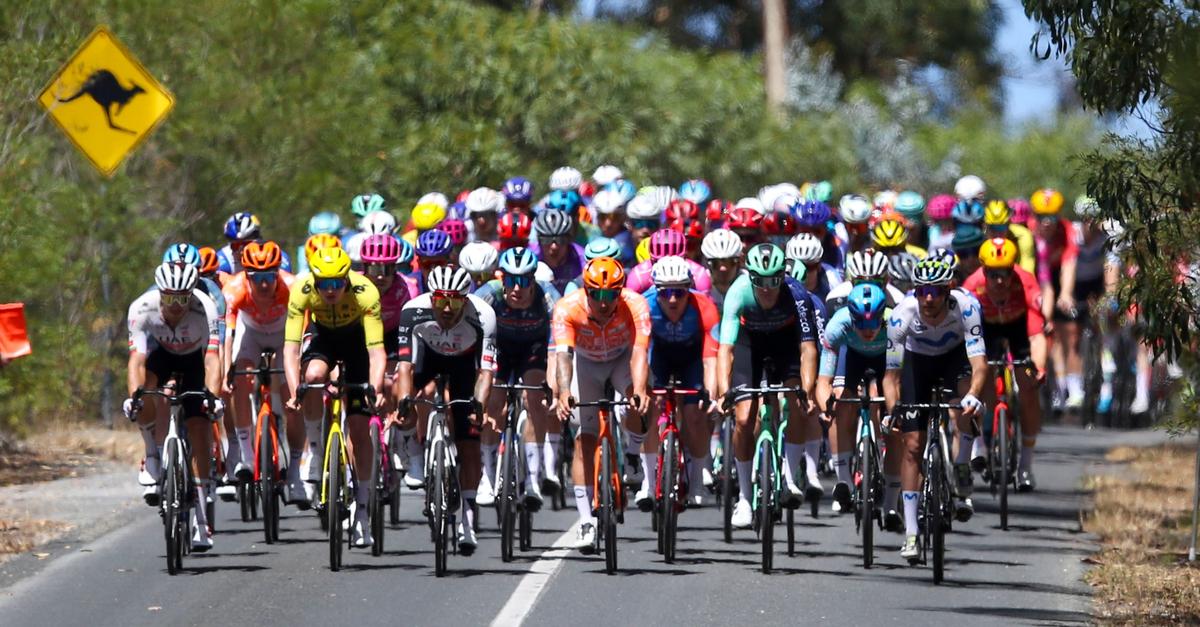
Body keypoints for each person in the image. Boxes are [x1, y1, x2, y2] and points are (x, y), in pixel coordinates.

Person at [882, 258, 988, 563]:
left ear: (949, 290)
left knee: (965, 405)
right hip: (918, 364)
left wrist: (973, 395)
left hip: (955, 358)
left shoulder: (967, 307)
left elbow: (980, 365)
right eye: (922, 291)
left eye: (936, 291)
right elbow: (891, 377)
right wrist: (892, 410)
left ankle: (962, 462)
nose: (929, 298)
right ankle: (911, 532)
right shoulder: (901, 315)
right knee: (913, 445)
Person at [283, 247, 386, 548]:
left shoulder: (365, 291)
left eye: (336, 283)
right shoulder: (301, 290)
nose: (330, 290)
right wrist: (295, 391)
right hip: (323, 337)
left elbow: (376, 352)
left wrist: (375, 389)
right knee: (313, 377)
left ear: (347, 279)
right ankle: (316, 452)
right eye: (323, 284)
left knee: (359, 430)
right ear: (314, 280)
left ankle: (363, 511)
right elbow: (290, 348)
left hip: (357, 343)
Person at [717, 244, 822, 529]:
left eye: (773, 280)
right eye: (759, 280)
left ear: (783, 277)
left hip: (785, 345)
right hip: (749, 345)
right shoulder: (738, 292)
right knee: (743, 419)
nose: (766, 288)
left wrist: (807, 391)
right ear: (749, 276)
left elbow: (808, 349)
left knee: (797, 405)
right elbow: (726, 349)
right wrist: (724, 392)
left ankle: (789, 478)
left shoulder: (797, 294)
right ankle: (744, 498)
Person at [551, 257, 652, 551]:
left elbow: (639, 352)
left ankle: (632, 454)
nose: (604, 301)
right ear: (586, 290)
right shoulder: (567, 308)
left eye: (611, 294)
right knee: (585, 437)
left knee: (639, 402)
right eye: (597, 294)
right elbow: (563, 355)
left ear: (621, 291)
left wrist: (639, 390)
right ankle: (586, 521)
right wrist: (563, 392)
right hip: (586, 366)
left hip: (621, 361)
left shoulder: (635, 305)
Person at [394, 266, 496, 555]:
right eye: (440, 301)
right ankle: (415, 456)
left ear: (466, 300)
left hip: (465, 366)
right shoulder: (412, 311)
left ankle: (468, 519)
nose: (447, 308)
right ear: (431, 298)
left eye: (454, 301)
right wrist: (404, 400)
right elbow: (405, 366)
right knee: (400, 398)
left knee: (469, 441)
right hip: (428, 359)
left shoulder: (483, 314)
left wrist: (479, 406)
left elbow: (486, 371)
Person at [124, 262, 223, 551]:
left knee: (199, 427)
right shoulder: (142, 308)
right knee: (145, 391)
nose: (177, 305)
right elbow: (136, 361)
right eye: (170, 297)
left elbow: (212, 359)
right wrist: (134, 397)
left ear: (192, 293)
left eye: (183, 298)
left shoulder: (205, 308)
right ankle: (152, 454)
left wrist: (213, 396)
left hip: (194, 361)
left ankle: (202, 521)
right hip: (162, 356)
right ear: (160, 293)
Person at [474, 247, 561, 509]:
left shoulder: (548, 297)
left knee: (536, 397)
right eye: (511, 280)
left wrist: (553, 389)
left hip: (534, 350)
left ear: (533, 280)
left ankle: (533, 478)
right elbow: (471, 340)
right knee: (494, 403)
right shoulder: (487, 295)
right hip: (498, 349)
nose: (517, 288)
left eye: (523, 281)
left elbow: (556, 350)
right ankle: (487, 476)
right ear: (502, 278)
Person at [219, 242, 305, 504]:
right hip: (251, 335)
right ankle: (246, 455)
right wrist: (227, 373)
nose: (265, 284)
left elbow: (301, 334)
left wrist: (297, 368)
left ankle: (295, 471)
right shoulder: (234, 289)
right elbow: (228, 335)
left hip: (284, 336)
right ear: (247, 275)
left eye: (270, 276)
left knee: (292, 396)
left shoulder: (292, 286)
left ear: (278, 272)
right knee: (240, 380)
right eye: (257, 278)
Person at [962, 237, 1048, 491]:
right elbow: (965, 335)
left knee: (1028, 388)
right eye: (992, 274)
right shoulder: (972, 287)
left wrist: (1038, 368)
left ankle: (1025, 466)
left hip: (1018, 328)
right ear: (983, 271)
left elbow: (1037, 334)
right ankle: (981, 444)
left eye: (1005, 273)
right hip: (984, 329)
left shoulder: (1026, 282)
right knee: (981, 381)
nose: (999, 281)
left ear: (1013, 270)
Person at [643, 256, 721, 508]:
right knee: (650, 409)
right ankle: (648, 481)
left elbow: (711, 359)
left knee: (695, 414)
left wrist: (710, 394)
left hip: (692, 358)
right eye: (666, 293)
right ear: (656, 291)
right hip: (658, 356)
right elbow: (639, 353)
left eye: (679, 292)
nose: (673, 299)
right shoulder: (645, 306)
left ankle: (696, 480)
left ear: (689, 289)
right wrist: (641, 389)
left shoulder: (704, 306)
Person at [817, 283, 898, 521]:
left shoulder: (895, 323)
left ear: (882, 316)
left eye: (873, 323)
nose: (867, 330)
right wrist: (826, 407)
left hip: (885, 360)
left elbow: (896, 379)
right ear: (851, 317)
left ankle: (887, 469)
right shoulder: (837, 325)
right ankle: (844, 480)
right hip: (852, 357)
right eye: (860, 323)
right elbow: (823, 381)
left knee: (893, 413)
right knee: (839, 401)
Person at [625, 229, 712, 294]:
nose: (668, 268)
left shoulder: (699, 276)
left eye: (675, 262)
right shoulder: (638, 276)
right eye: (659, 262)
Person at [531, 210, 587, 294]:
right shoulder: (529, 258)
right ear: (538, 240)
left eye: (561, 239)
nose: (554, 247)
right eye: (547, 240)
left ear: (569, 239)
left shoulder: (582, 260)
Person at [700, 229, 744, 309]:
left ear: (739, 262)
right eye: (715, 263)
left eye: (730, 262)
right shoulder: (699, 283)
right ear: (707, 264)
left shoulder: (749, 282)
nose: (723, 269)